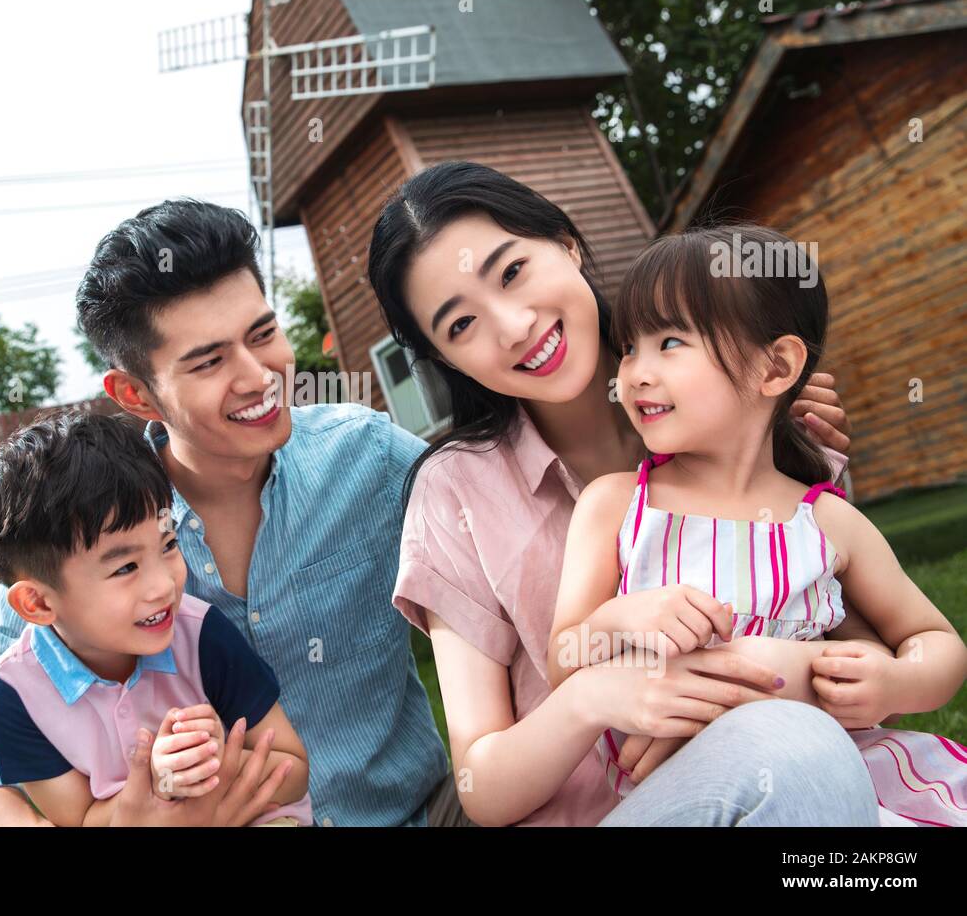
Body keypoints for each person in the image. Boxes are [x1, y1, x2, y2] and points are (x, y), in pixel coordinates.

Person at [367, 161, 883, 826]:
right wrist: (594, 697)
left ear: (565, 241)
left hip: (790, 793)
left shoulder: (745, 412)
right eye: (460, 325)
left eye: (512, 272)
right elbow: (482, 782)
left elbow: (883, 680)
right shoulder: (456, 492)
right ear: (444, 359)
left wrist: (754, 672)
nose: (514, 325)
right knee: (797, 747)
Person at [0, 199, 451, 827]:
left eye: (262, 335)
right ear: (135, 394)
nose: (260, 377)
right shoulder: (80, 538)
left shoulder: (371, 457)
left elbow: (509, 562)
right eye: (208, 361)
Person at [548, 225, 967, 826]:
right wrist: (615, 619)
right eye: (630, 346)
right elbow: (563, 658)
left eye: (669, 342)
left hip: (847, 776)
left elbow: (938, 640)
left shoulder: (826, 521)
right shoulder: (618, 506)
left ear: (775, 367)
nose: (635, 372)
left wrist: (898, 682)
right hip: (694, 796)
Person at [0, 410, 311, 826]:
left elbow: (292, 769)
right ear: (37, 604)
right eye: (125, 568)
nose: (163, 586)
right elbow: (81, 820)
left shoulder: (201, 634)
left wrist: (213, 761)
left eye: (168, 544)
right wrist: (159, 781)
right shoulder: (12, 696)